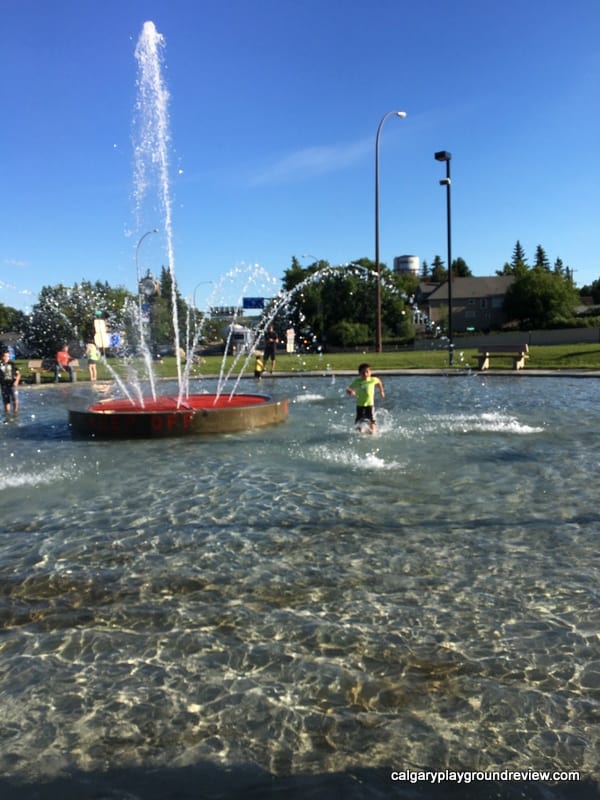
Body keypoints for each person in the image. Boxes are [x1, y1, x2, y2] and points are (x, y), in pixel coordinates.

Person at [346, 362, 385, 434]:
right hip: (360, 405)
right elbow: (349, 388)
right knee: (358, 424)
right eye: (363, 372)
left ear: (370, 372)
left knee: (372, 421)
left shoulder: (373, 380)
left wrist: (381, 391)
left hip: (370, 405)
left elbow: (379, 382)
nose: (365, 374)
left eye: (367, 372)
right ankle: (361, 432)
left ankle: (373, 432)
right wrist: (351, 392)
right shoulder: (357, 381)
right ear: (359, 373)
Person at [0, 349, 20, 414]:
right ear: (1, 357)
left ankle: (15, 412)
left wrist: (16, 381)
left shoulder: (12, 364)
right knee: (6, 400)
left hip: (12, 384)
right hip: (4, 385)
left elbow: (18, 374)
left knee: (15, 398)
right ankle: (7, 413)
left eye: (8, 356)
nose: (6, 358)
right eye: (5, 356)